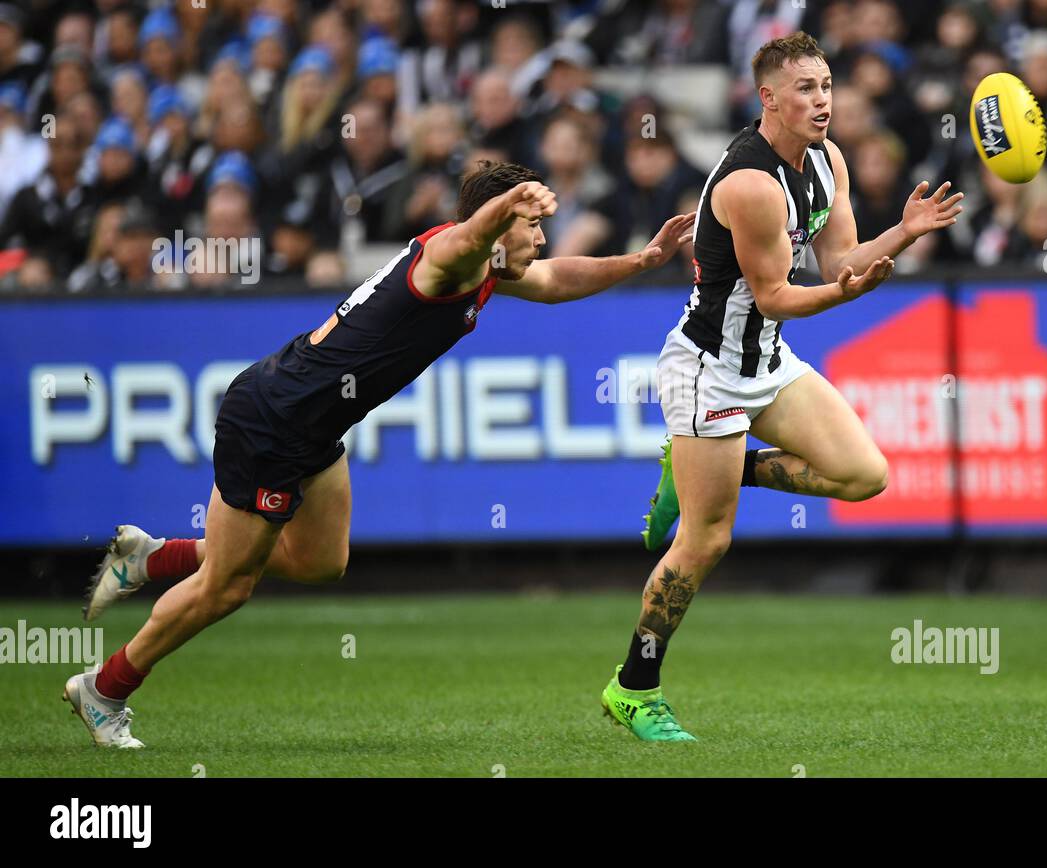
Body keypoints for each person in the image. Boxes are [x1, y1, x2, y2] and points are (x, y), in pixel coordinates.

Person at [68, 161, 695, 749]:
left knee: (320, 562)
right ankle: (103, 689)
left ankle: (153, 556)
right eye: (533, 223)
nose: (542, 234)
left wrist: (642, 260)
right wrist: (508, 204)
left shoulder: (486, 271)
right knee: (228, 588)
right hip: (273, 421)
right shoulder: (450, 255)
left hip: (309, 427)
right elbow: (471, 235)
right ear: (499, 223)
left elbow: (557, 280)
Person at [598, 32, 963, 742]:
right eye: (805, 89)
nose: (822, 100)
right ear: (768, 98)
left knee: (864, 475)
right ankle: (634, 686)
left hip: (768, 362)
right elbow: (772, 295)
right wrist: (845, 293)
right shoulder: (749, 184)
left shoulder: (828, 160)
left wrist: (903, 234)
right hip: (709, 370)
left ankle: (725, 468)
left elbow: (844, 259)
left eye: (826, 86)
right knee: (707, 541)